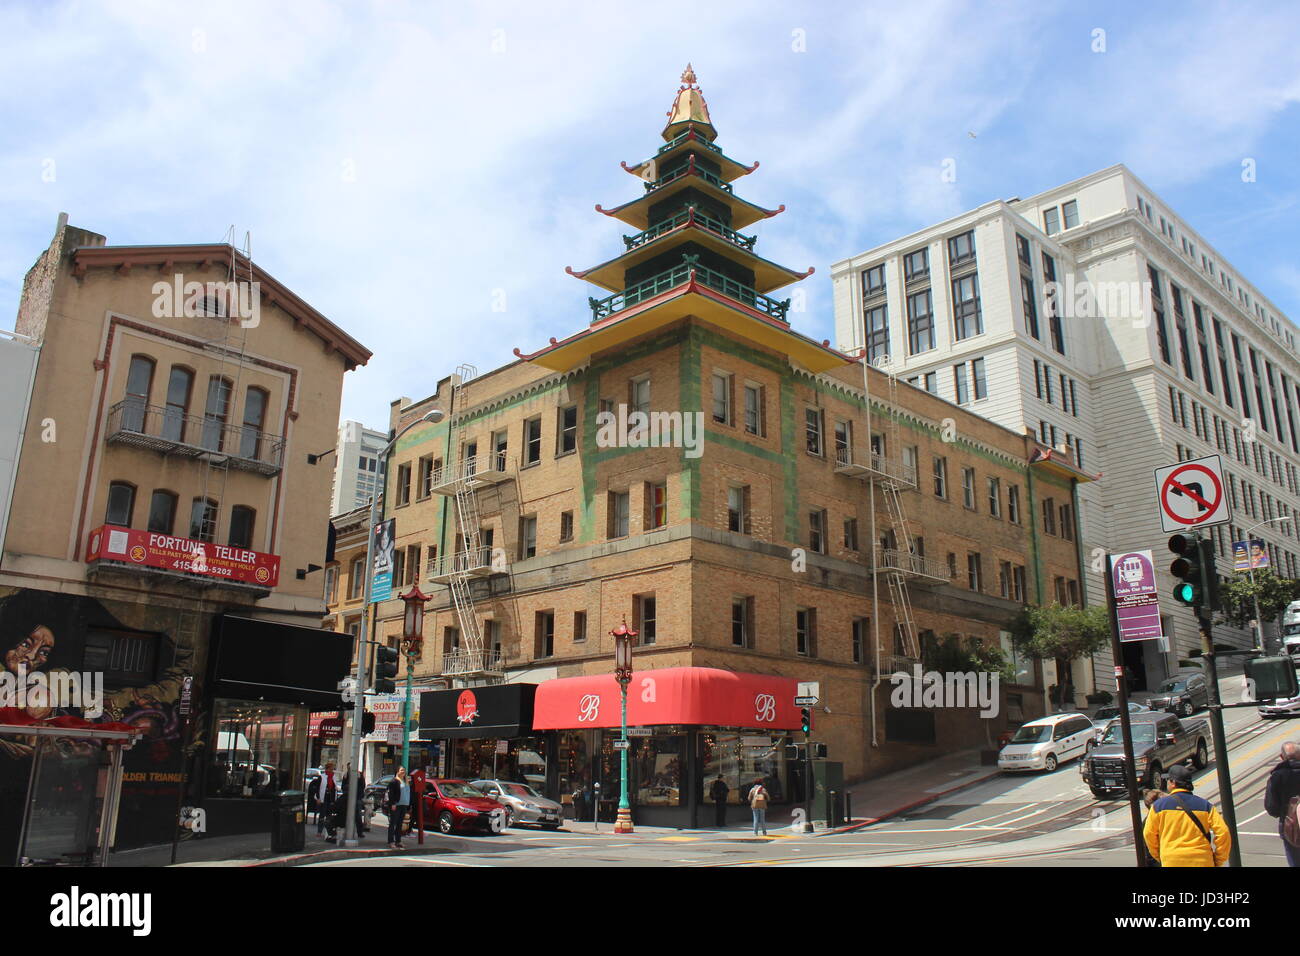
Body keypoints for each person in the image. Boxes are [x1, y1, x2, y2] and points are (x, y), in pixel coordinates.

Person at [1143, 765, 1230, 867]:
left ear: (1173, 783)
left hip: (1172, 860)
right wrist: (1219, 859)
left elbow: (1148, 834)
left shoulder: (1159, 806)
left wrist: (1159, 856)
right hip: (1202, 860)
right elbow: (1223, 832)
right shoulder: (1206, 806)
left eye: (1168, 780)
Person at [1264, 740, 1300, 867]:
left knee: (1295, 860)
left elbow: (1271, 807)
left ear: (1282, 757)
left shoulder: (1277, 776)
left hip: (1290, 826)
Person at [386, 767, 410, 849]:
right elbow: (391, 793)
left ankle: (398, 841)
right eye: (401, 770)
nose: (403, 772)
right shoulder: (394, 781)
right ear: (397, 771)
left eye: (404, 770)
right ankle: (391, 841)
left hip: (404, 805)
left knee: (400, 824)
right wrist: (393, 803)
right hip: (396, 804)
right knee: (393, 823)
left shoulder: (405, 781)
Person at [315, 762, 338, 836]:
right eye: (331, 769)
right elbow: (317, 788)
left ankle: (328, 832)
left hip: (330, 799)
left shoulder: (334, 777)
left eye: (332, 769)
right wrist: (318, 798)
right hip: (323, 798)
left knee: (329, 816)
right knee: (322, 815)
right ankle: (319, 831)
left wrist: (334, 800)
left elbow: (335, 788)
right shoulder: (322, 777)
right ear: (327, 769)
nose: (332, 770)